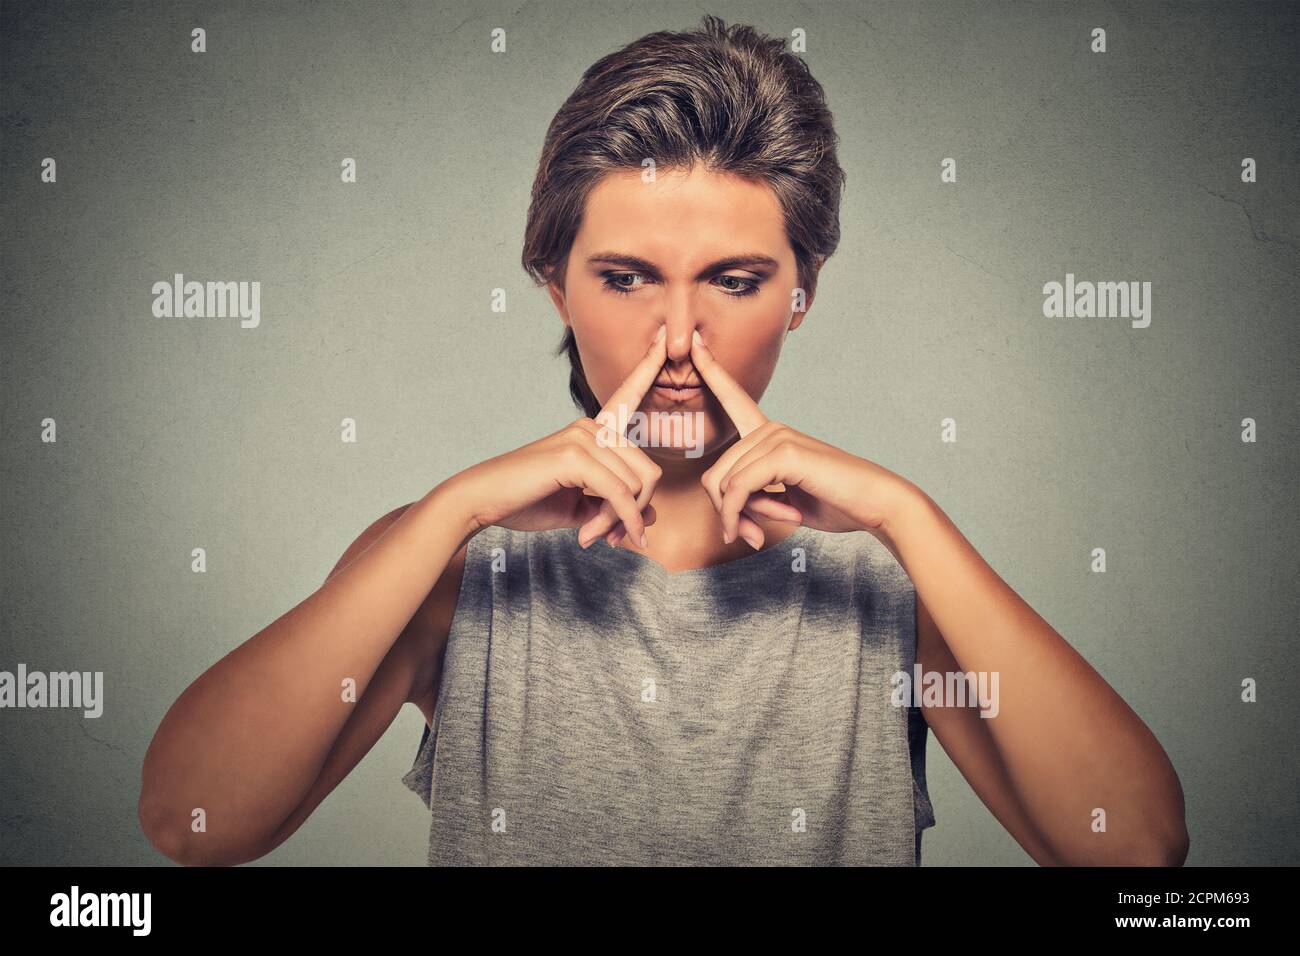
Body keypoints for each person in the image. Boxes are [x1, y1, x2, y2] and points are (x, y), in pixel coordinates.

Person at [139, 15, 1188, 867]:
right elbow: (190, 821)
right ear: (556, 283)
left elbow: (1137, 850)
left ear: (799, 294)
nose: (678, 338)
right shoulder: (464, 564)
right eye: (627, 277)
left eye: (733, 282)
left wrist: (906, 515)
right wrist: (454, 507)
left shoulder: (884, 582)